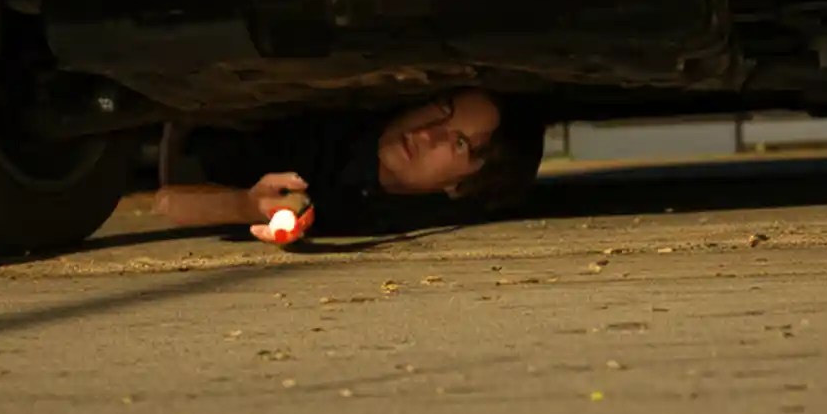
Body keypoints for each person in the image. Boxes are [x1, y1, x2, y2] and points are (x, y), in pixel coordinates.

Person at [152, 88, 547, 244]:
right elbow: (168, 201)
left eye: (459, 141)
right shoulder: (316, 136)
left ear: (460, 187)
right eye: (442, 110)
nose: (429, 133)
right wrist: (248, 206)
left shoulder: (453, 211)